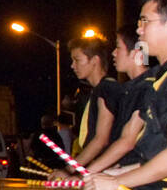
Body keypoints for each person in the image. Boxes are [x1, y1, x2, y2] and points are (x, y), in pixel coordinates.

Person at [84, 0, 167, 190]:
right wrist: (116, 172)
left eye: (145, 21)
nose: (138, 29)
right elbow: (158, 153)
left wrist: (116, 181)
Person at [81, 27, 156, 175]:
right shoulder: (131, 89)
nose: (114, 53)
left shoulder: (148, 87)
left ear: (137, 53)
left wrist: (83, 174)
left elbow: (127, 141)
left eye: (118, 47)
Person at [50, 36, 122, 174]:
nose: (72, 65)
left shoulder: (106, 89)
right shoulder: (99, 90)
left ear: (95, 60)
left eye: (77, 60)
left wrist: (69, 170)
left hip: (106, 171)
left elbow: (101, 139)